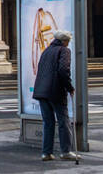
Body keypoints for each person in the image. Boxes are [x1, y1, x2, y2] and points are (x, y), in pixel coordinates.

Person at [32, 30, 78, 162]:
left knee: (48, 122)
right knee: (63, 121)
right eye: (68, 42)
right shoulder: (64, 51)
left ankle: (46, 153)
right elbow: (63, 70)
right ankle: (66, 151)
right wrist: (69, 87)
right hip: (55, 90)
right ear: (64, 41)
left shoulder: (47, 51)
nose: (68, 44)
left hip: (41, 91)